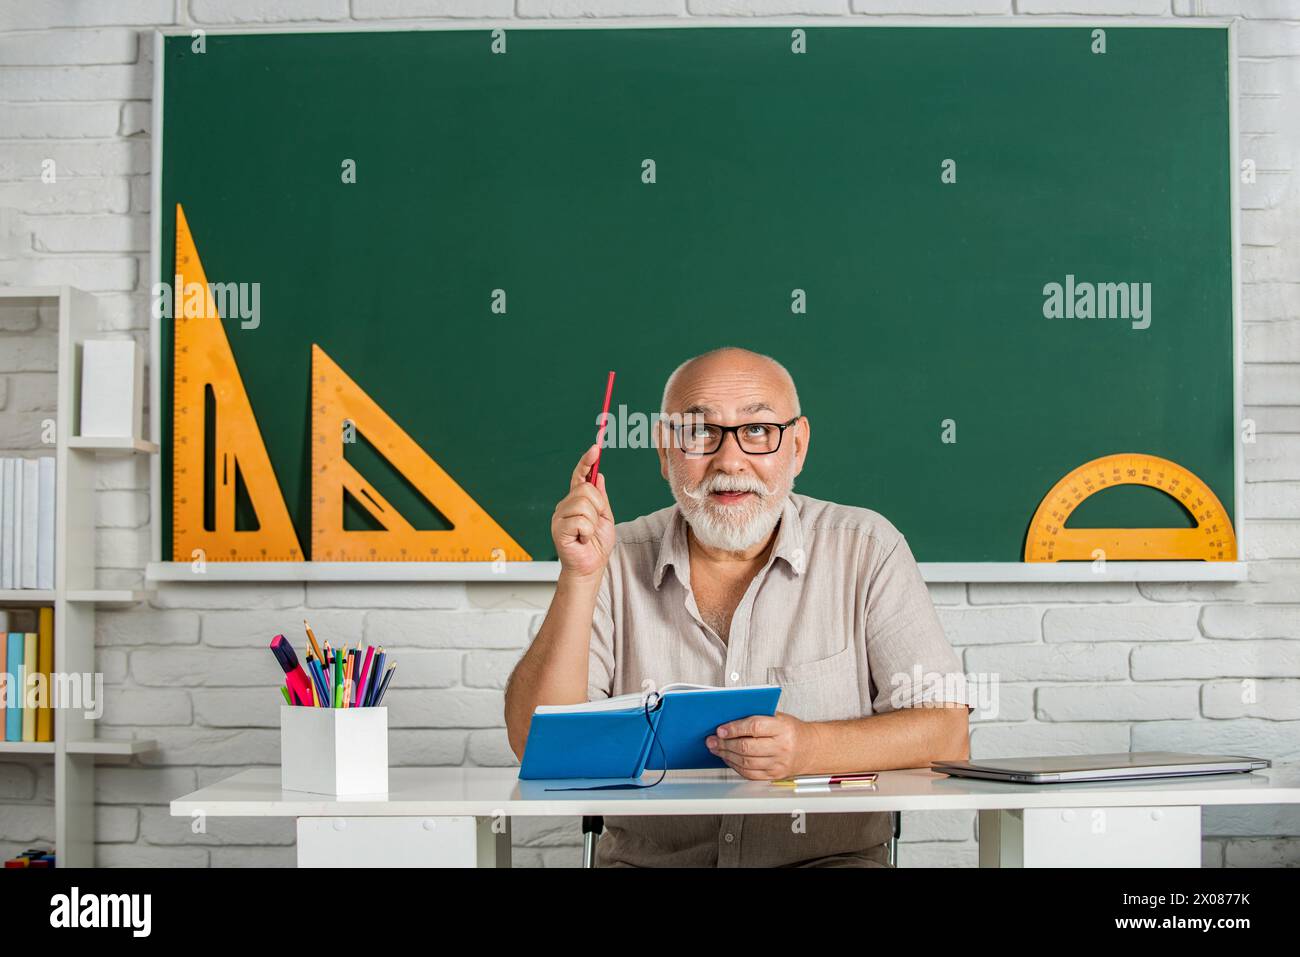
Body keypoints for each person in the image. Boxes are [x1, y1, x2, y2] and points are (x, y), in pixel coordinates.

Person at [505, 346, 971, 867]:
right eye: (700, 431)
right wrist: (579, 576)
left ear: (797, 446)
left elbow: (946, 732)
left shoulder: (867, 548)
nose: (729, 462)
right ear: (664, 449)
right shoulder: (610, 559)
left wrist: (807, 749)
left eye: (757, 431)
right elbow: (535, 744)